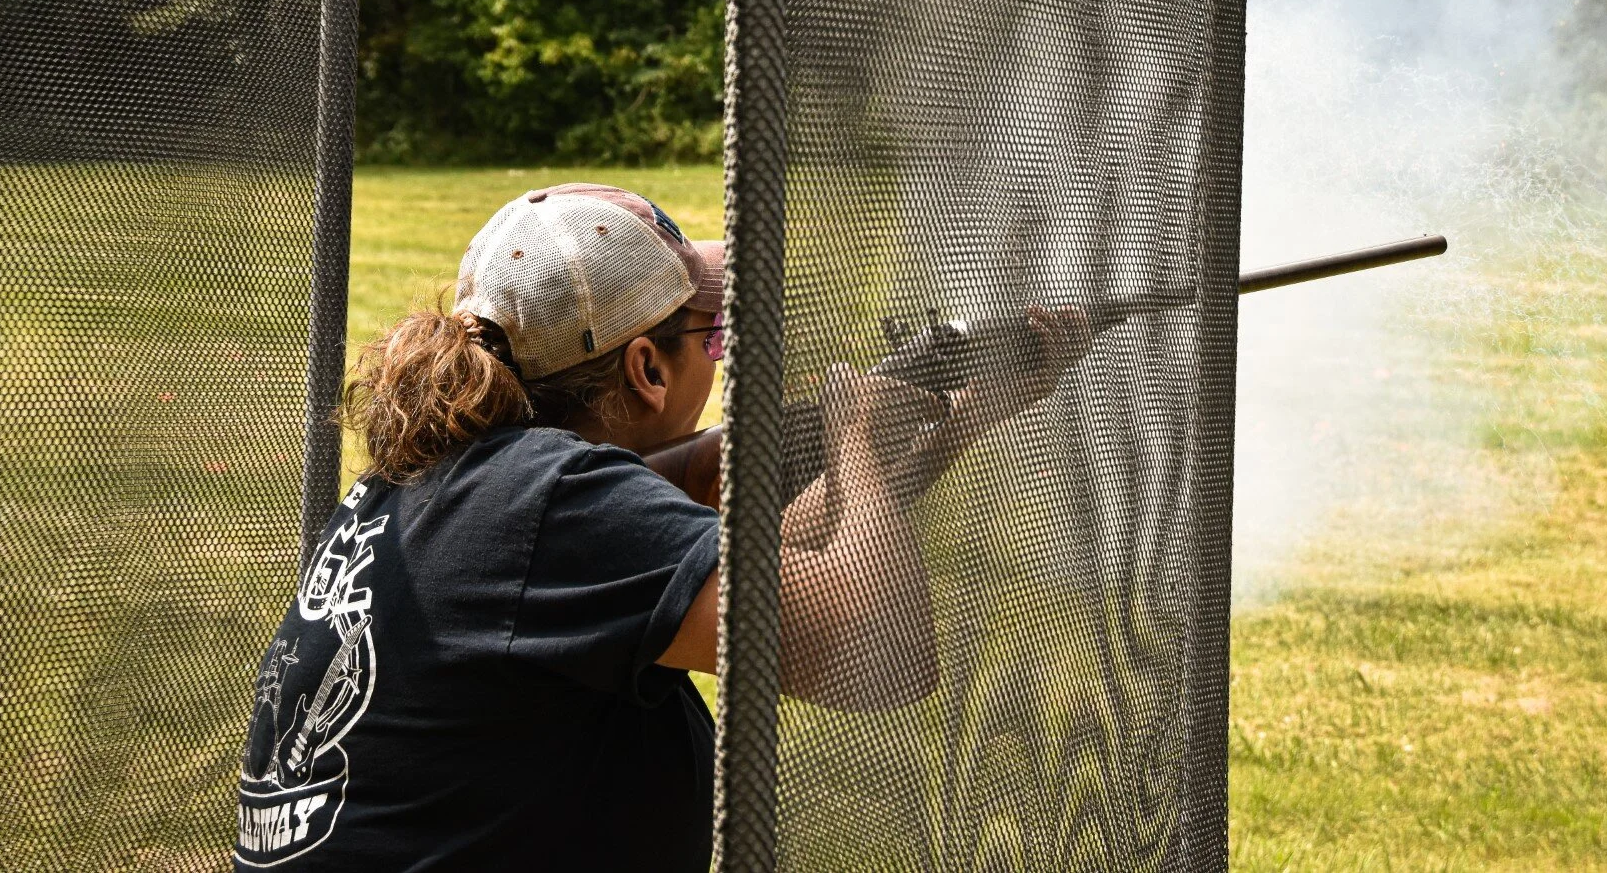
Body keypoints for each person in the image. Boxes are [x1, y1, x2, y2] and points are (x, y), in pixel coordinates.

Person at [234, 182, 1090, 872]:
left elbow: (795, 556)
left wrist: (966, 419)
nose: (723, 354)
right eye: (710, 334)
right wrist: (851, 428)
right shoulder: (553, 500)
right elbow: (881, 643)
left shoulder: (446, 484)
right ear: (646, 367)